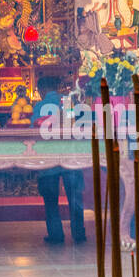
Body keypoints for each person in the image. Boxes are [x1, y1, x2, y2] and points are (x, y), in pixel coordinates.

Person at [31, 75, 86, 245]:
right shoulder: (69, 103)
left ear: (41, 90)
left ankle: (56, 234)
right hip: (71, 155)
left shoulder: (40, 106)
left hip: (49, 157)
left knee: (50, 198)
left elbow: (33, 128)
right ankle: (78, 233)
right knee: (75, 197)